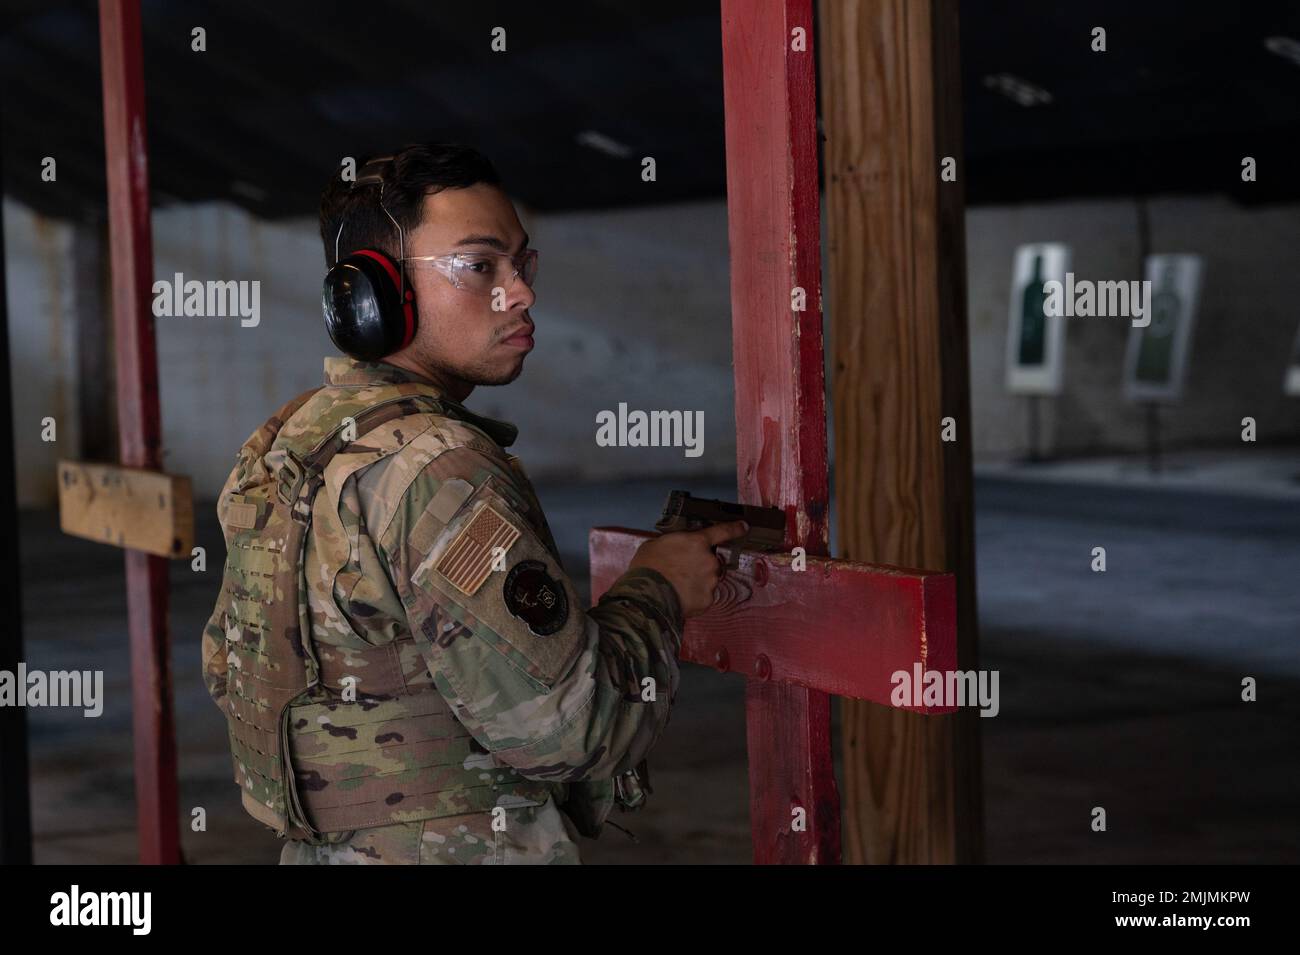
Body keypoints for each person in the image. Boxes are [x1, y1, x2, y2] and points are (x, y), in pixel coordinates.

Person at [200, 142, 746, 864]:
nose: (519, 291)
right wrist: (661, 589)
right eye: (479, 266)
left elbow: (226, 666)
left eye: (523, 263)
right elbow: (572, 726)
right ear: (374, 298)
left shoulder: (287, 443)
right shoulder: (438, 467)